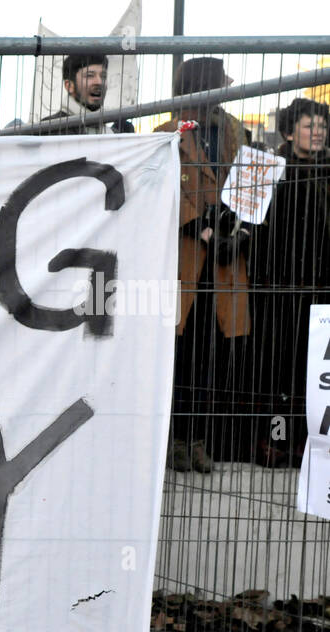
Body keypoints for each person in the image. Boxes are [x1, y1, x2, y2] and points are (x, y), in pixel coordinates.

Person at [155, 57, 253, 472]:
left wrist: (241, 232)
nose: (227, 92)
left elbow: (252, 189)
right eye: (220, 84)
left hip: (227, 263)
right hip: (185, 262)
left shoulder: (238, 135)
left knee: (212, 355)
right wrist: (201, 229)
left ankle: (197, 439)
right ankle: (174, 440)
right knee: (178, 352)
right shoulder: (163, 136)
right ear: (200, 89)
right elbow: (160, 194)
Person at [245, 98, 330, 466]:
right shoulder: (271, 167)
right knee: (276, 367)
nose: (318, 133)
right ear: (289, 131)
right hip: (276, 284)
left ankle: (302, 441)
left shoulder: (327, 169)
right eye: (310, 126)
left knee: (311, 370)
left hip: (320, 284)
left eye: (322, 127)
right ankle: (273, 439)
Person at [38, 54, 135, 135]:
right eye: (90, 75)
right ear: (69, 86)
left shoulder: (114, 136)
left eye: (103, 76)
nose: (99, 82)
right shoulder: (48, 130)